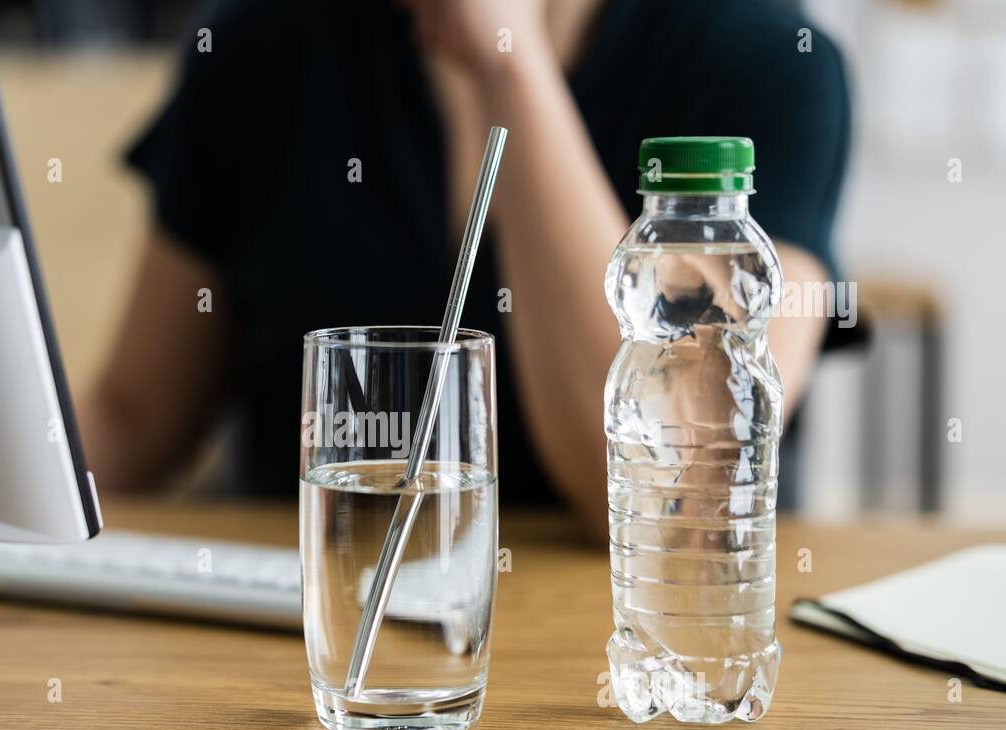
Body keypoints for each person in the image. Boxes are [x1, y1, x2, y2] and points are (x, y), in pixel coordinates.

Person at [79, 0, 853, 540]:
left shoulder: (768, 65)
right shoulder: (259, 44)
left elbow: (669, 483)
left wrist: (510, 66)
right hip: (304, 652)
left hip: (630, 673)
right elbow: (133, 415)